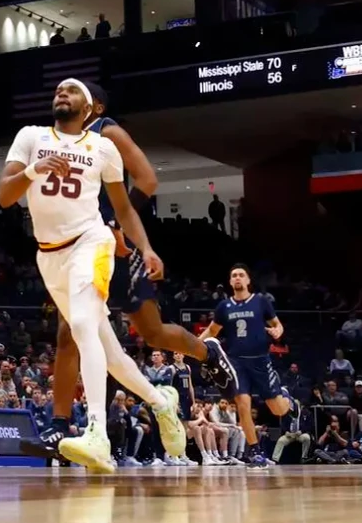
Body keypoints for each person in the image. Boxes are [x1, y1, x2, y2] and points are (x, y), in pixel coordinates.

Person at [32, 81, 235, 458]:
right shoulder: (56, 140)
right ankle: (60, 427)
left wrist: (119, 226)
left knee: (152, 332)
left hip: (114, 243)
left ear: (94, 104)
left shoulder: (106, 131)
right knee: (68, 332)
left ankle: (207, 354)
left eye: (75, 92)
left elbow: (147, 180)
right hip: (79, 249)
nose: (64, 96)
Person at [0, 91, 187, 474]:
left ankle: (96, 433)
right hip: (49, 254)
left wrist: (145, 247)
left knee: (80, 326)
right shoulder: (32, 137)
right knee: (106, 349)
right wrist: (36, 169)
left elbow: (123, 208)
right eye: (58, 90)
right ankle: (161, 401)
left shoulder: (102, 146)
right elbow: (4, 196)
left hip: (92, 241)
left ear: (89, 110)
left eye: (72, 91)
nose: (62, 92)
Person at [202, 264, 298, 468]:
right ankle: (255, 451)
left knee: (278, 409)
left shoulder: (261, 301)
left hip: (261, 360)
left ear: (247, 281)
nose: (237, 278)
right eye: (234, 275)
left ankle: (288, 400)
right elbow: (212, 331)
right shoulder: (223, 307)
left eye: (241, 275)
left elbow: (278, 325)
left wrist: (277, 332)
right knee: (243, 405)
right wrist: (191, 345)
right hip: (236, 362)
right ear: (230, 282)